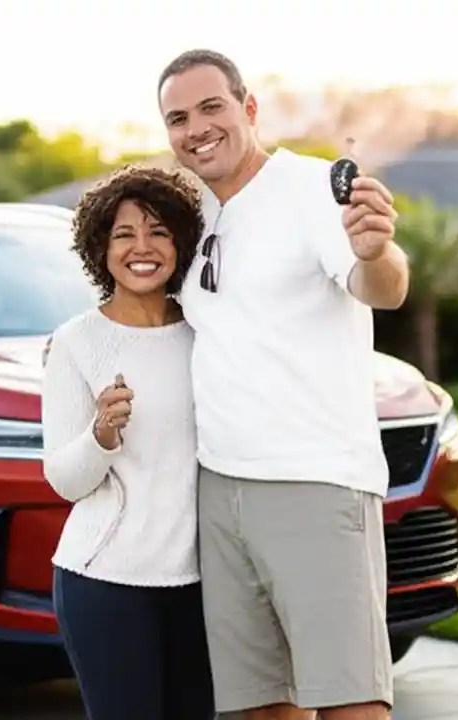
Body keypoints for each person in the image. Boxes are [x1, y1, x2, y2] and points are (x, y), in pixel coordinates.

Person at [157, 49, 410, 720]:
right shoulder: (194, 217)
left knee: (350, 701)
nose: (196, 128)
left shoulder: (312, 188)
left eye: (211, 107)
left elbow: (380, 287)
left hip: (314, 482)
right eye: (177, 118)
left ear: (248, 109)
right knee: (258, 706)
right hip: (219, 487)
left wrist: (377, 249)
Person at [40, 164, 216, 720]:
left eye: (159, 231)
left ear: (182, 243)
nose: (143, 247)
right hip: (106, 581)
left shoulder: (207, 333)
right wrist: (100, 435)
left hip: (201, 582)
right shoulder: (77, 342)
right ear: (101, 247)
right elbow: (65, 481)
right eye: (124, 234)